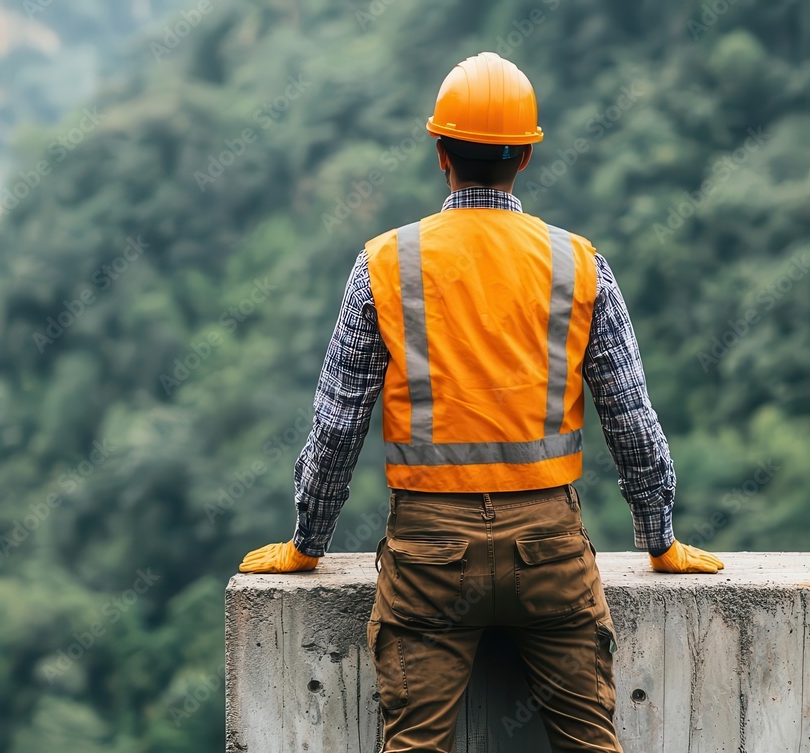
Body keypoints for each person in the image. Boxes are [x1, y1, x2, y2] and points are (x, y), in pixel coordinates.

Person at [239, 52, 724, 753]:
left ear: (441, 152)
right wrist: (660, 538)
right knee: (592, 743)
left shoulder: (386, 262)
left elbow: (338, 425)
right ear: (525, 157)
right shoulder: (577, 262)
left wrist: (307, 544)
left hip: (429, 557)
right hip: (549, 551)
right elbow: (631, 417)